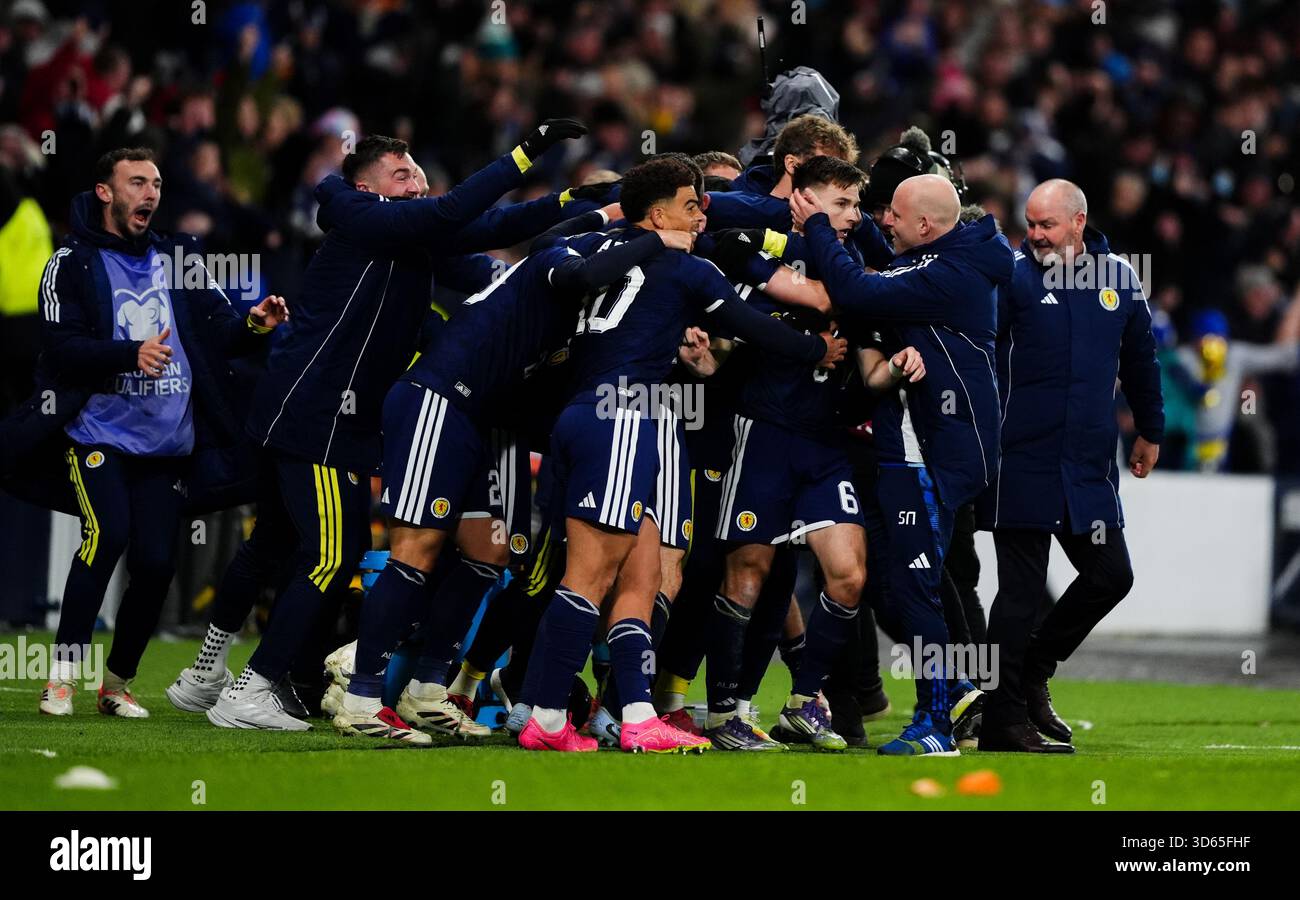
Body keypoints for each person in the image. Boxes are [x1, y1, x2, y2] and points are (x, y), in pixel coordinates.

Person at [171, 121, 589, 731]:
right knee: (333, 556)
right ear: (367, 186)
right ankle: (250, 690)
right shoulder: (362, 217)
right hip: (313, 415)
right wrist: (527, 151)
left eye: (418, 170)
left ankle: (207, 675)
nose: (417, 181)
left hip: (333, 419)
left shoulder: (410, 237)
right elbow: (455, 208)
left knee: (276, 545)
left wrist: (590, 207)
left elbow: (499, 227)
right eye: (402, 173)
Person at [516, 154, 845, 752]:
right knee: (587, 578)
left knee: (647, 574)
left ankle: (637, 714)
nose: (700, 220)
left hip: (583, 415)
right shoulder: (683, 268)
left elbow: (546, 242)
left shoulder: (601, 244)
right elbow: (752, 323)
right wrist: (813, 348)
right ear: (658, 211)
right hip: (624, 417)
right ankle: (541, 714)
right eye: (691, 206)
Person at [35, 147, 287, 717]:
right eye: (137, 182)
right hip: (98, 434)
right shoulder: (70, 262)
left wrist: (254, 324)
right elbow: (59, 348)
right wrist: (130, 353)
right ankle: (60, 678)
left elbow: (220, 329)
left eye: (156, 183)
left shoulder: (181, 256)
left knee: (155, 563)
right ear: (105, 191)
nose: (150, 193)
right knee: (107, 537)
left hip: (168, 443)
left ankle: (116, 685)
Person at [792, 172, 1013, 756]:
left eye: (892, 213)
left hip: (930, 458)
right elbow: (872, 288)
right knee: (898, 585)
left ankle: (937, 721)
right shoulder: (938, 261)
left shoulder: (948, 273)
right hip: (907, 452)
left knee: (917, 590)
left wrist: (816, 221)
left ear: (924, 226)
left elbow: (858, 289)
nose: (881, 220)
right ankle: (953, 693)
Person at [976, 179, 1164, 753]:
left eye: (1046, 225)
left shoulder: (1120, 281)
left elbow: (1140, 360)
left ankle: (1031, 673)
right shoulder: (1011, 277)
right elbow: (978, 353)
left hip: (1086, 467)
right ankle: (1002, 722)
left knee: (1113, 576)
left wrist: (1150, 430)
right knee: (1019, 594)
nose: (1034, 235)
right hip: (1021, 460)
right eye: (1029, 224)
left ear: (1078, 223)